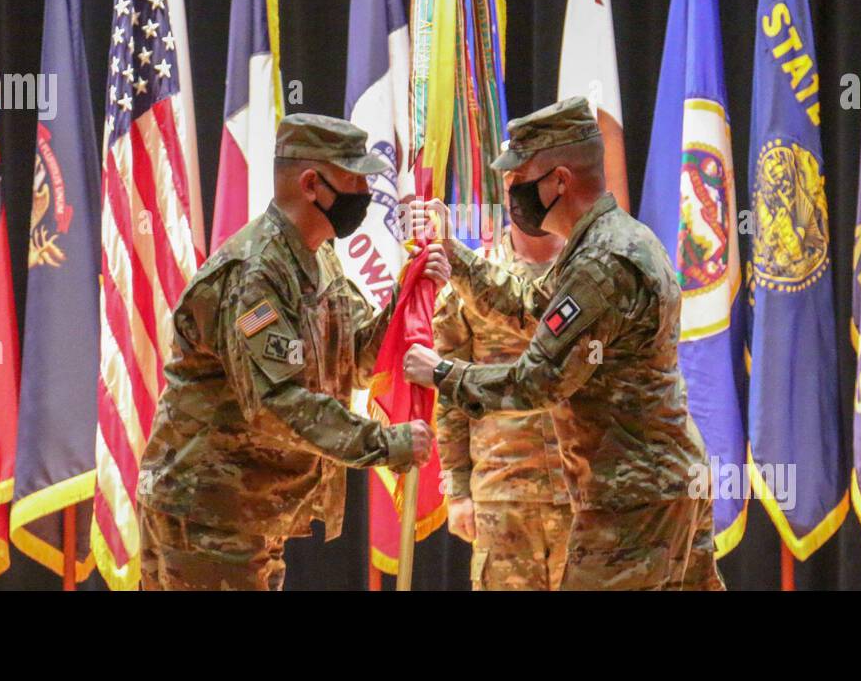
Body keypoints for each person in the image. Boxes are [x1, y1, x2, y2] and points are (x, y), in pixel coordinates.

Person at [405, 96, 724, 590]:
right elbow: (533, 309)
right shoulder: (616, 241)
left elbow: (537, 381)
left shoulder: (602, 263)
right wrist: (455, 254)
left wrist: (443, 373)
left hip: (633, 498)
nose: (512, 195)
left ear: (559, 181)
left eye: (521, 182)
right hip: (658, 484)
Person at [139, 114, 446, 590]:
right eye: (354, 179)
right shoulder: (255, 274)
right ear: (311, 184)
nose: (365, 191)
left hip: (252, 513)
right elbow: (277, 405)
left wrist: (409, 295)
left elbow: (356, 359)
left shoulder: (316, 255)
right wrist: (383, 444)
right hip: (206, 515)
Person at [434, 221, 572, 590]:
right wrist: (457, 491)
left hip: (584, 494)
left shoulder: (588, 271)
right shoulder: (470, 279)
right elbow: (450, 393)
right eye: (515, 176)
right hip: (502, 495)